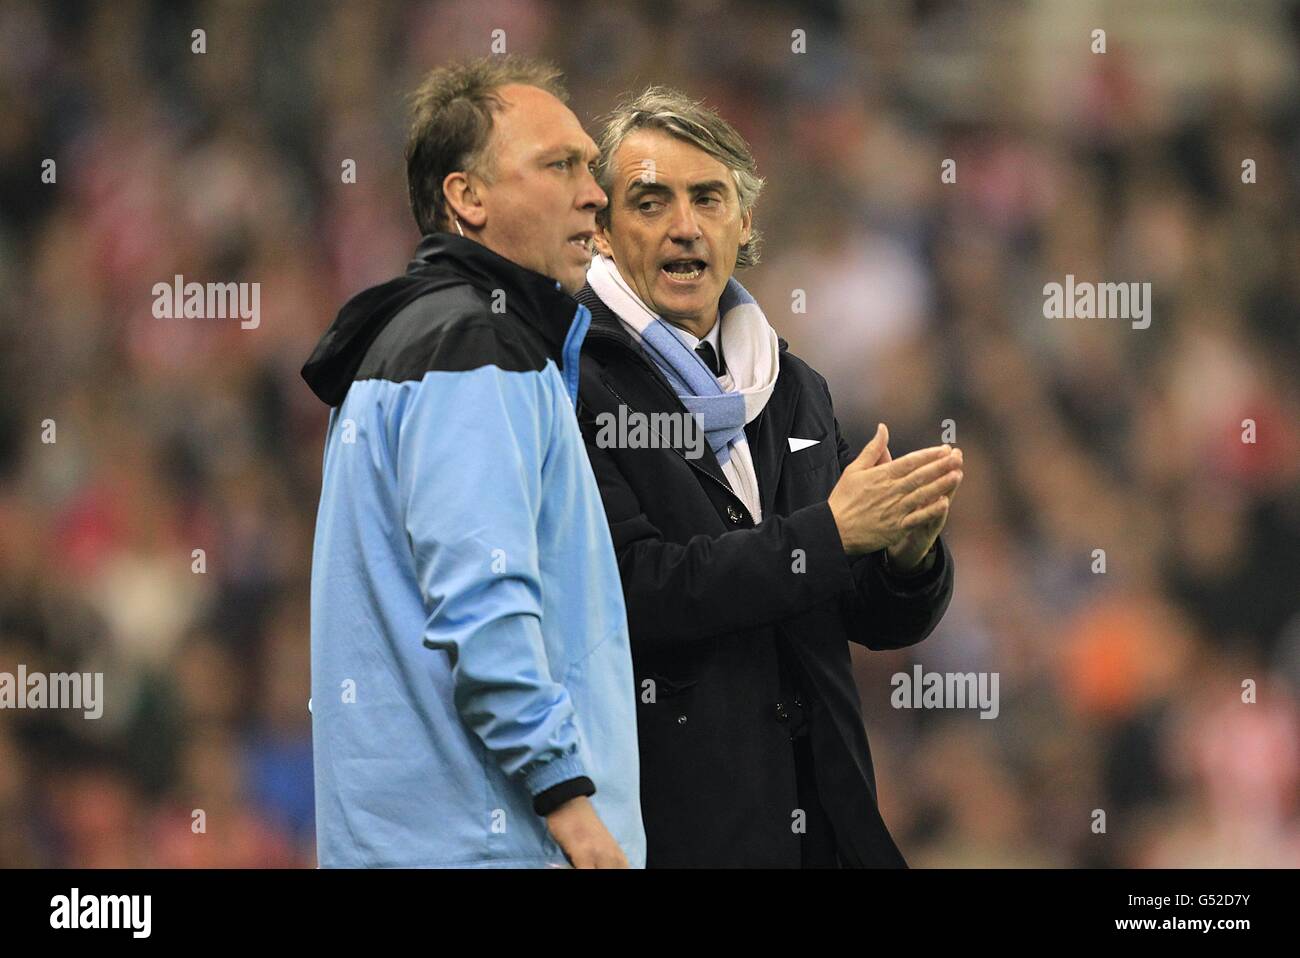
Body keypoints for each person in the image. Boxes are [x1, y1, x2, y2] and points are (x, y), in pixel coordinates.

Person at [575, 87, 961, 867]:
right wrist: (833, 533)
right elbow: (631, 590)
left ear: (743, 223)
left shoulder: (792, 385)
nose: (685, 225)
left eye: (708, 198)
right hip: (686, 831)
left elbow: (855, 613)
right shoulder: (578, 381)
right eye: (651, 202)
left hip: (831, 823)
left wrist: (904, 557)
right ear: (604, 232)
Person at [301, 56, 645, 868]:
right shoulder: (472, 348)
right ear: (468, 197)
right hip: (489, 844)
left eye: (590, 167)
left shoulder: (419, 345)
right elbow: (482, 598)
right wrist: (569, 802)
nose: (594, 193)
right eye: (559, 165)